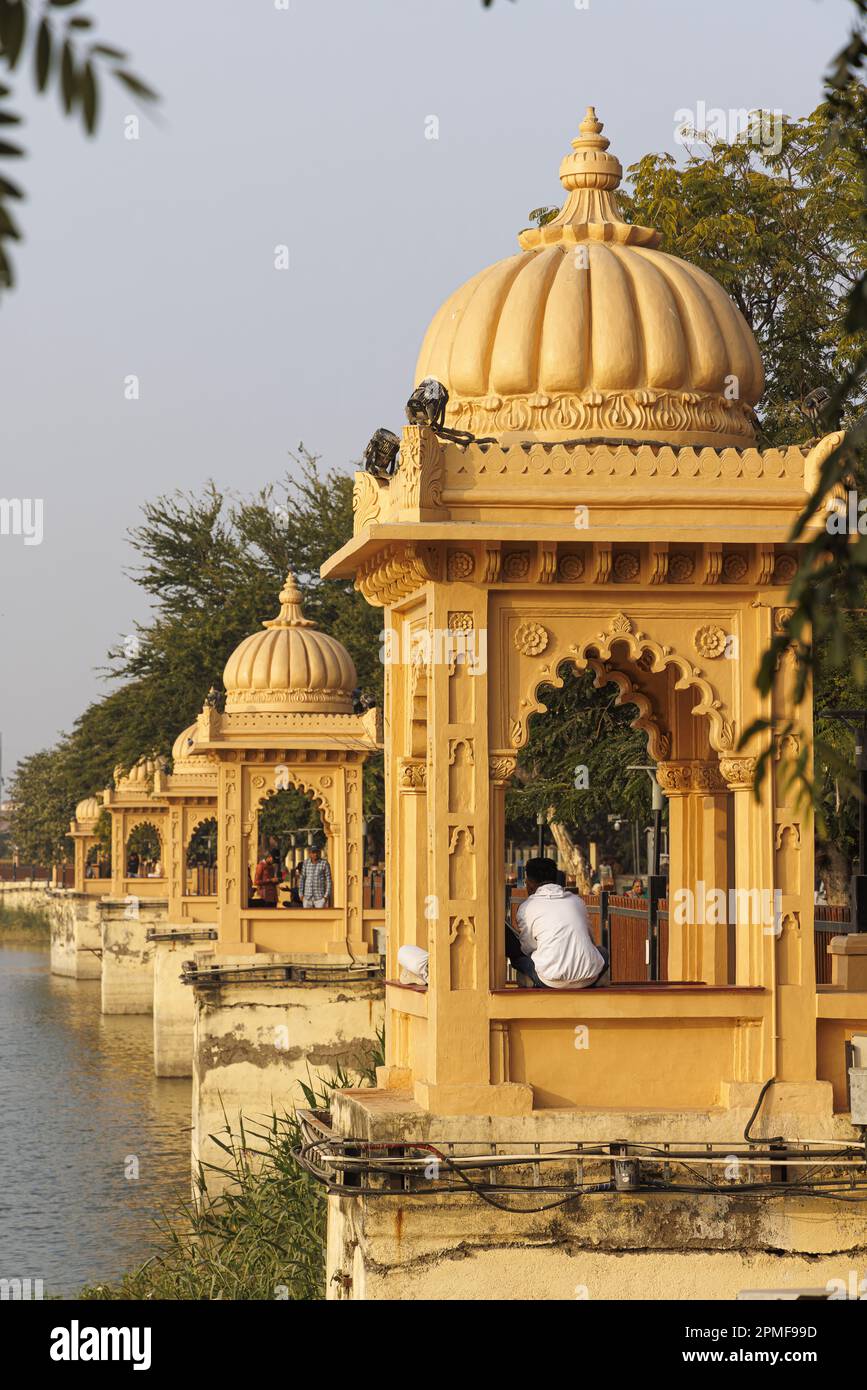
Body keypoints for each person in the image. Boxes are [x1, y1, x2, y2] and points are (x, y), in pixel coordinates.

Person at [507, 856, 608, 989]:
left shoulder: (527, 908)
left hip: (550, 980)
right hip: (589, 977)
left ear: (529, 883)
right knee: (603, 952)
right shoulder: (577, 901)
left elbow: (528, 948)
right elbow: (590, 940)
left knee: (518, 959)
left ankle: (532, 981)